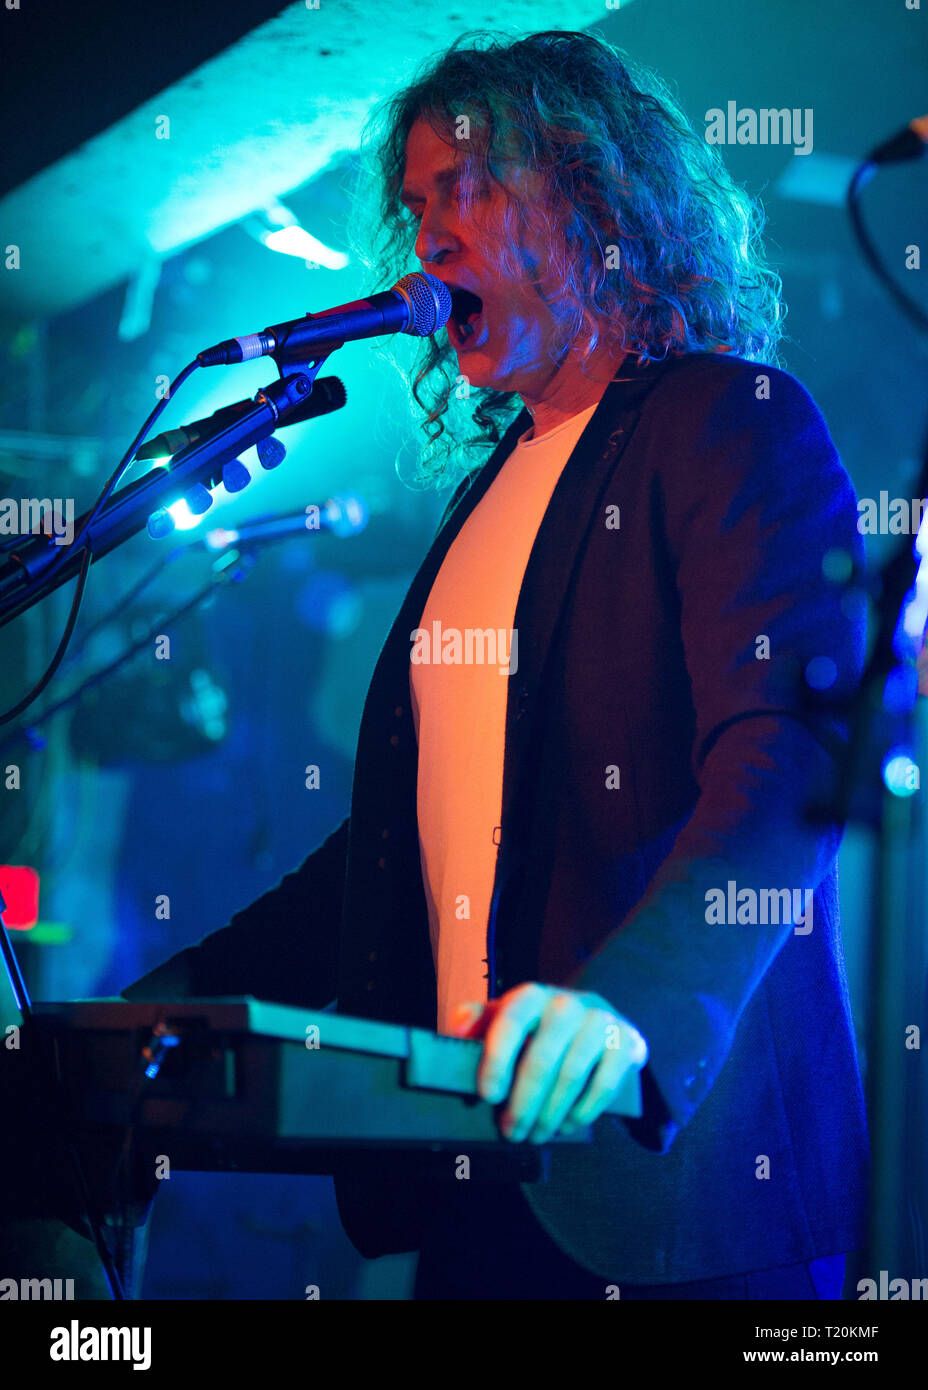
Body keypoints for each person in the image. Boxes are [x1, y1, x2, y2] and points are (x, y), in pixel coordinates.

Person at [124, 29, 869, 1300]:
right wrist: (163, 1009)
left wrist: (632, 1008)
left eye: (466, 186)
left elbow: (787, 747)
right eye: (416, 206)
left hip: (672, 1188)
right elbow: (388, 851)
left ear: (590, 194)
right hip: (478, 1178)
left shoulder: (722, 418)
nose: (428, 234)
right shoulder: (482, 502)